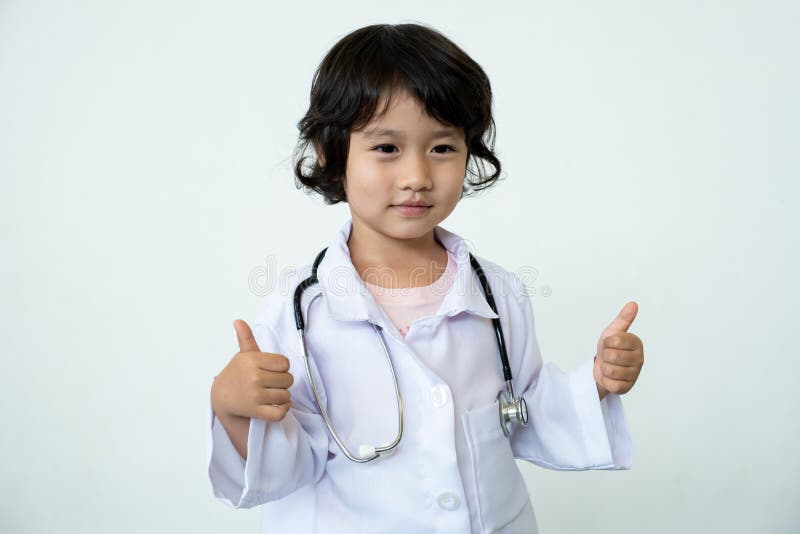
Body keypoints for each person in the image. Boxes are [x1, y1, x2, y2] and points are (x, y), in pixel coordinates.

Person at [207, 22, 645, 534]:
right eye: (386, 148)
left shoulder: (499, 293)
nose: (417, 176)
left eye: (441, 148)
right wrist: (233, 409)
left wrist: (595, 384)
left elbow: (521, 413)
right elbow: (286, 467)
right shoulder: (297, 311)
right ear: (331, 154)